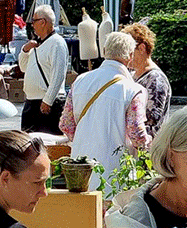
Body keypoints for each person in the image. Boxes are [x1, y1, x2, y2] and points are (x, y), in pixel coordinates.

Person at [59, 32, 150, 190]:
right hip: (115, 172)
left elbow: (66, 124)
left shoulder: (80, 81)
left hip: (81, 168)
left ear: (105, 51)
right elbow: (136, 133)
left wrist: (85, 138)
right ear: (130, 55)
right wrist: (149, 146)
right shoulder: (133, 90)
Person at [17, 5, 69, 135]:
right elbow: (23, 68)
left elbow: (58, 75)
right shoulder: (37, 44)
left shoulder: (57, 43)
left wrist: (48, 100)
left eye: (34, 21)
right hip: (32, 102)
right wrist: (25, 50)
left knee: (49, 145)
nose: (31, 25)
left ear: (43, 22)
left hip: (47, 104)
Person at [123, 23, 172, 137]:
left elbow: (152, 122)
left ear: (142, 48)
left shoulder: (155, 79)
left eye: (129, 51)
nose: (126, 56)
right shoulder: (132, 74)